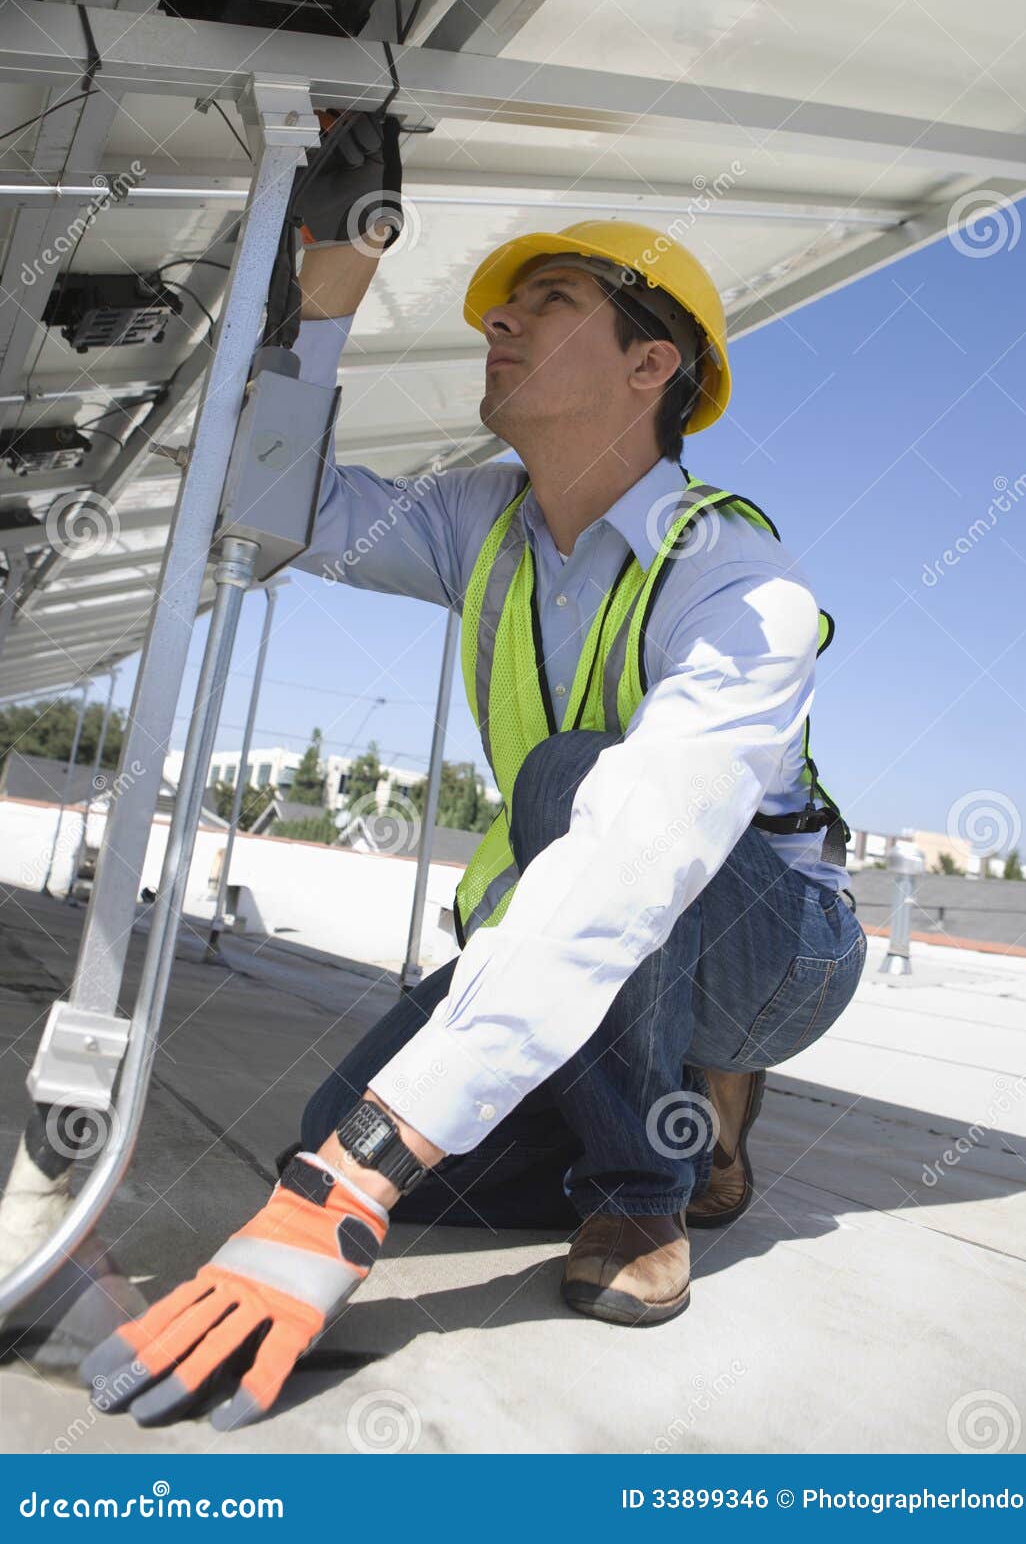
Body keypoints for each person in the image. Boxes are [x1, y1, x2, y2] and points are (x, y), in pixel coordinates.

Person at [81, 111, 867, 1432]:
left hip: (773, 950)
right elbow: (271, 510)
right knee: (340, 1134)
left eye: (546, 302)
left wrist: (361, 1173)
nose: (496, 322)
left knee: (574, 783)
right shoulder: (475, 522)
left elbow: (634, 850)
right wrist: (327, 285)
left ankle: (644, 1189)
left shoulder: (739, 580)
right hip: (604, 911)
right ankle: (684, 1122)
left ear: (649, 364)